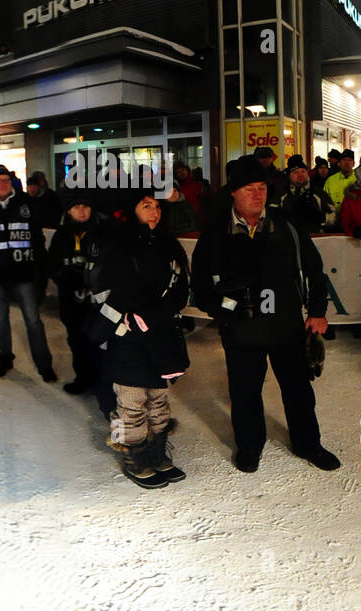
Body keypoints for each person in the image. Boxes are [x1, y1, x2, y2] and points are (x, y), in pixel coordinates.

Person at [193, 166, 336, 472]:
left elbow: (314, 269)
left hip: (286, 325)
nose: (258, 194)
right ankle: (249, 446)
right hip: (242, 329)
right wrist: (227, 310)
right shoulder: (216, 232)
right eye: (249, 188)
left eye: (262, 187)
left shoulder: (287, 225)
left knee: (298, 389)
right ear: (233, 192)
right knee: (244, 392)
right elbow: (201, 288)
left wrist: (318, 311)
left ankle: (308, 443)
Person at [96, 191, 192, 487]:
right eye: (146, 206)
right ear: (132, 210)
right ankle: (134, 456)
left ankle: (157, 452)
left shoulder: (169, 245)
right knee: (132, 400)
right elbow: (118, 288)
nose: (154, 212)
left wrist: (155, 314)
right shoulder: (120, 245)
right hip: (128, 337)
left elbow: (181, 290)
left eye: (157, 206)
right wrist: (138, 316)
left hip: (160, 335)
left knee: (158, 399)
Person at [0, 165, 56, 382]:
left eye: (7, 180)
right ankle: (5, 358)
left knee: (34, 321)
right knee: (0, 321)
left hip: (23, 273)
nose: (4, 184)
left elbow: (36, 239)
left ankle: (44, 365)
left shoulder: (25, 202)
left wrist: (41, 273)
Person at [47, 194, 117, 412]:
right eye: (76, 206)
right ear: (68, 211)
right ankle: (83, 378)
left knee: (99, 341)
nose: (82, 210)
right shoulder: (61, 235)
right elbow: (52, 264)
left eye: (85, 205)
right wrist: (66, 277)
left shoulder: (102, 231)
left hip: (97, 299)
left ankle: (102, 381)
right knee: (76, 340)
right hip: (71, 299)